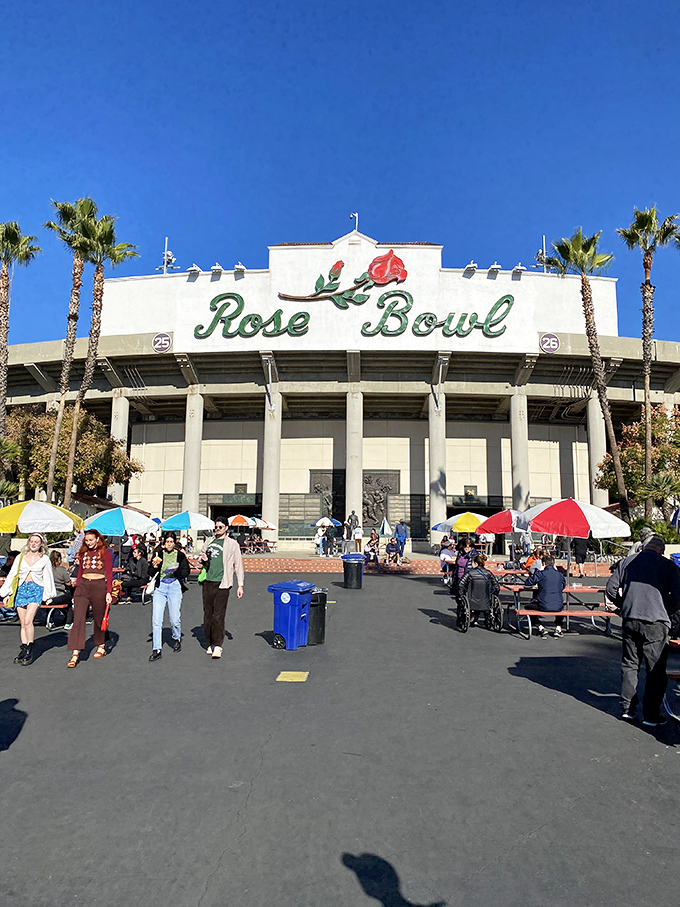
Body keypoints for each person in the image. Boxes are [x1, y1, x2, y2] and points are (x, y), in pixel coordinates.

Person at [605, 535, 680, 725]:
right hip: (656, 620)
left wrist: (622, 605)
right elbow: (678, 596)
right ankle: (651, 715)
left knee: (630, 664)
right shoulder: (667, 566)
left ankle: (628, 708)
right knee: (655, 670)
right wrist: (668, 610)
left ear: (643, 547)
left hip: (630, 618)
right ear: (661, 550)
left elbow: (611, 589)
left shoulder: (626, 562)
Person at [0, 533, 56, 666]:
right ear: (28, 542)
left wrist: (48, 595)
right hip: (21, 589)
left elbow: (48, 577)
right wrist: (7, 593)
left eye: (37, 542)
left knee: (28, 620)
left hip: (36, 589)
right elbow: (13, 575)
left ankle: (30, 648)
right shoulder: (20, 557)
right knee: (23, 622)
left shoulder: (44, 559)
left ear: (41, 544)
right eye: (32, 541)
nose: (34, 544)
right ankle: (24, 648)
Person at [199, 516, 244, 659]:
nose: (217, 530)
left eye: (220, 527)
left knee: (218, 615)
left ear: (226, 528)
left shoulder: (232, 544)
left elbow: (239, 564)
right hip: (208, 581)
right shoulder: (209, 541)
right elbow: (201, 557)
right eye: (216, 527)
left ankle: (218, 645)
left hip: (223, 583)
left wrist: (240, 585)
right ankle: (209, 642)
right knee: (208, 614)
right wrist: (202, 558)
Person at [67, 529, 113, 667]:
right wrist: (76, 593)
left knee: (99, 618)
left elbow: (109, 574)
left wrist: (109, 592)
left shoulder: (105, 552)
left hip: (99, 586)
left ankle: (101, 644)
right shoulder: (83, 553)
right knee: (78, 618)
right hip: (83, 586)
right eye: (86, 540)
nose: (89, 543)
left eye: (91, 540)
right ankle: (75, 653)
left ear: (97, 539)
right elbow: (80, 572)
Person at [148, 533, 190, 661]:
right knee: (156, 619)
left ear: (175, 543)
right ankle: (157, 649)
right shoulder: (158, 554)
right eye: (167, 541)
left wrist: (175, 571)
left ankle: (176, 637)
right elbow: (150, 572)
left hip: (174, 586)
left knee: (174, 618)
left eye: (171, 541)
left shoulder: (180, 555)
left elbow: (185, 571)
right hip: (160, 587)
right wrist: (154, 567)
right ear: (163, 542)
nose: (169, 544)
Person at [523, 555, 566, 638]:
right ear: (554, 564)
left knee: (528, 607)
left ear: (543, 564)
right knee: (561, 605)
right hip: (558, 605)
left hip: (543, 605)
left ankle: (540, 627)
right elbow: (562, 587)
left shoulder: (541, 574)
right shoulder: (560, 575)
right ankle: (558, 627)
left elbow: (528, 582)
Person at [458, 553, 500, 627]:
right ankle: (488, 619)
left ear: (475, 563)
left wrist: (461, 595)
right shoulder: (488, 573)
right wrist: (494, 595)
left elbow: (461, 584)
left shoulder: (470, 573)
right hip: (486, 600)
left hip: (472, 600)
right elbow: (497, 587)